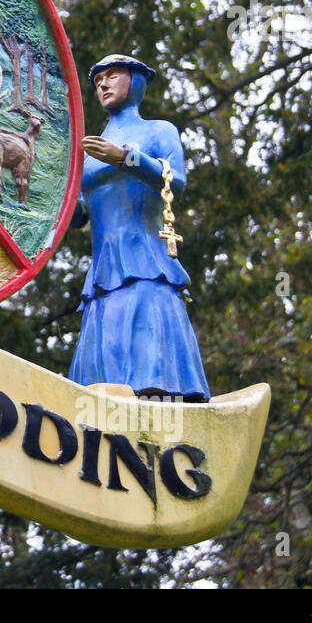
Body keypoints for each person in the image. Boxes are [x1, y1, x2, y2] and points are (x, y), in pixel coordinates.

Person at [68, 54, 211, 401]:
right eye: (98, 78)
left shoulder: (158, 131)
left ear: (136, 81)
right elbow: (78, 216)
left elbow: (175, 180)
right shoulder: (86, 151)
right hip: (103, 274)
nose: (103, 84)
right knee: (100, 380)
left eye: (113, 76)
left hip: (147, 263)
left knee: (153, 367)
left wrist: (124, 158)